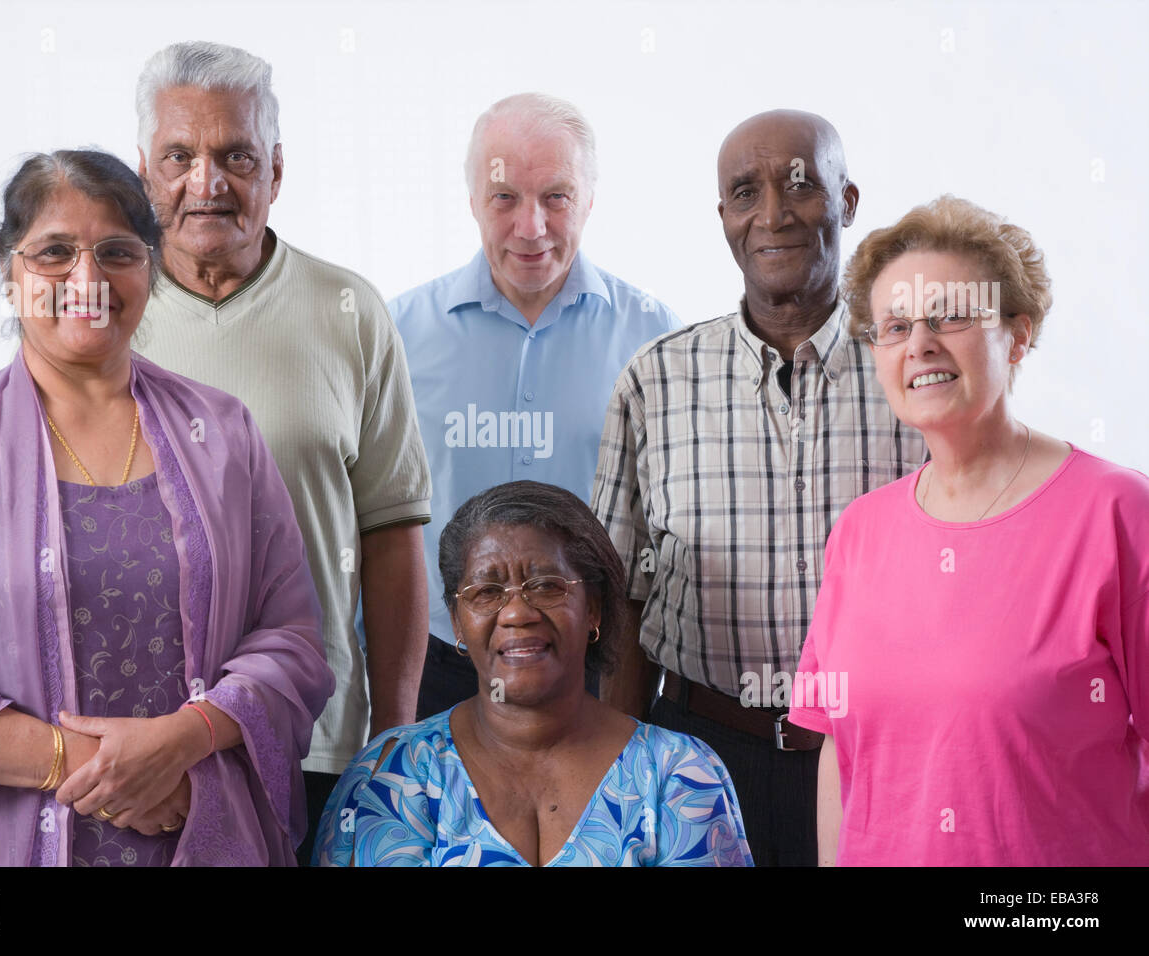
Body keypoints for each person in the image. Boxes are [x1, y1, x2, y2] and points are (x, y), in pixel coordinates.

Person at [0, 149, 334, 866]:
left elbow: (291, 643)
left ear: (151, 266)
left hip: (202, 833)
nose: (88, 280)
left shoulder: (222, 432)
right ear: (10, 274)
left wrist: (186, 739)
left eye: (117, 252)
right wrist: (95, 767)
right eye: (54, 253)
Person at [590, 110, 927, 865]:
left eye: (801, 185)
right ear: (723, 217)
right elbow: (618, 602)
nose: (772, 214)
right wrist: (617, 781)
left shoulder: (917, 371)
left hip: (876, 754)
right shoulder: (656, 379)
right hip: (698, 755)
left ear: (847, 201)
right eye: (746, 192)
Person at [131, 41, 432, 861]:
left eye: (236, 156)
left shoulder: (351, 312)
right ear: (145, 173)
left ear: (277, 169)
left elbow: (392, 532)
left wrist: (393, 735)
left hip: (320, 745)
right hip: (145, 747)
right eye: (180, 157)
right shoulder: (103, 318)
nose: (208, 182)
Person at [787, 196, 1149, 865]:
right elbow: (841, 749)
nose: (919, 342)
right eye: (893, 326)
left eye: (949, 316)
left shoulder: (1117, 512)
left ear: (1017, 334)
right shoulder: (861, 532)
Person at [390, 92, 681, 721]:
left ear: (588, 201)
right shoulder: (397, 334)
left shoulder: (655, 338)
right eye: (504, 198)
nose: (532, 227)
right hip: (440, 670)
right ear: (471, 201)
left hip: (595, 669)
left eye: (556, 196)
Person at [312, 481, 752, 867]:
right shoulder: (392, 777)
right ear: (458, 622)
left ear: (593, 607)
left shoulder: (678, 775)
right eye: (487, 592)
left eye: (547, 586)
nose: (517, 612)